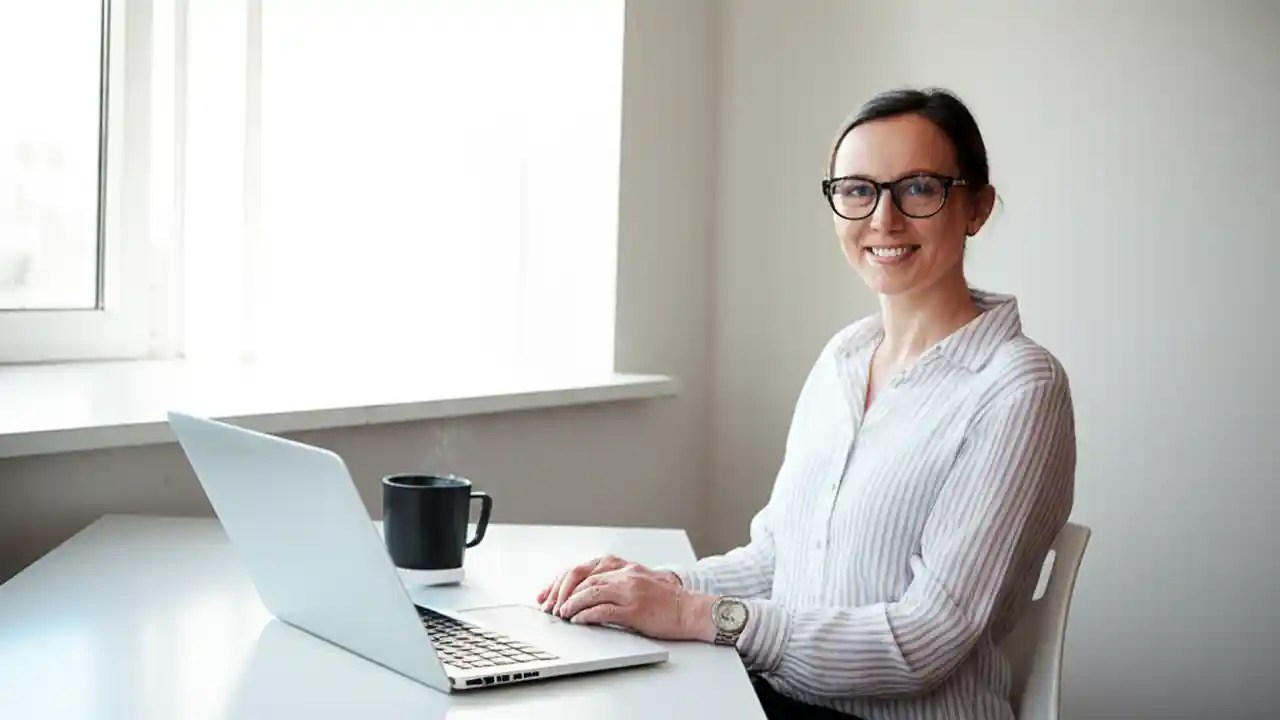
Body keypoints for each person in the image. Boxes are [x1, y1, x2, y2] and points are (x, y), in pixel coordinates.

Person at [535, 87, 1076, 720]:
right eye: (856, 189)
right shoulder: (845, 358)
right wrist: (657, 587)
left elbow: (926, 638)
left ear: (976, 207)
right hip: (776, 699)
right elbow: (777, 560)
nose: (883, 219)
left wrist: (692, 614)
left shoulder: (1018, 387)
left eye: (919, 188)